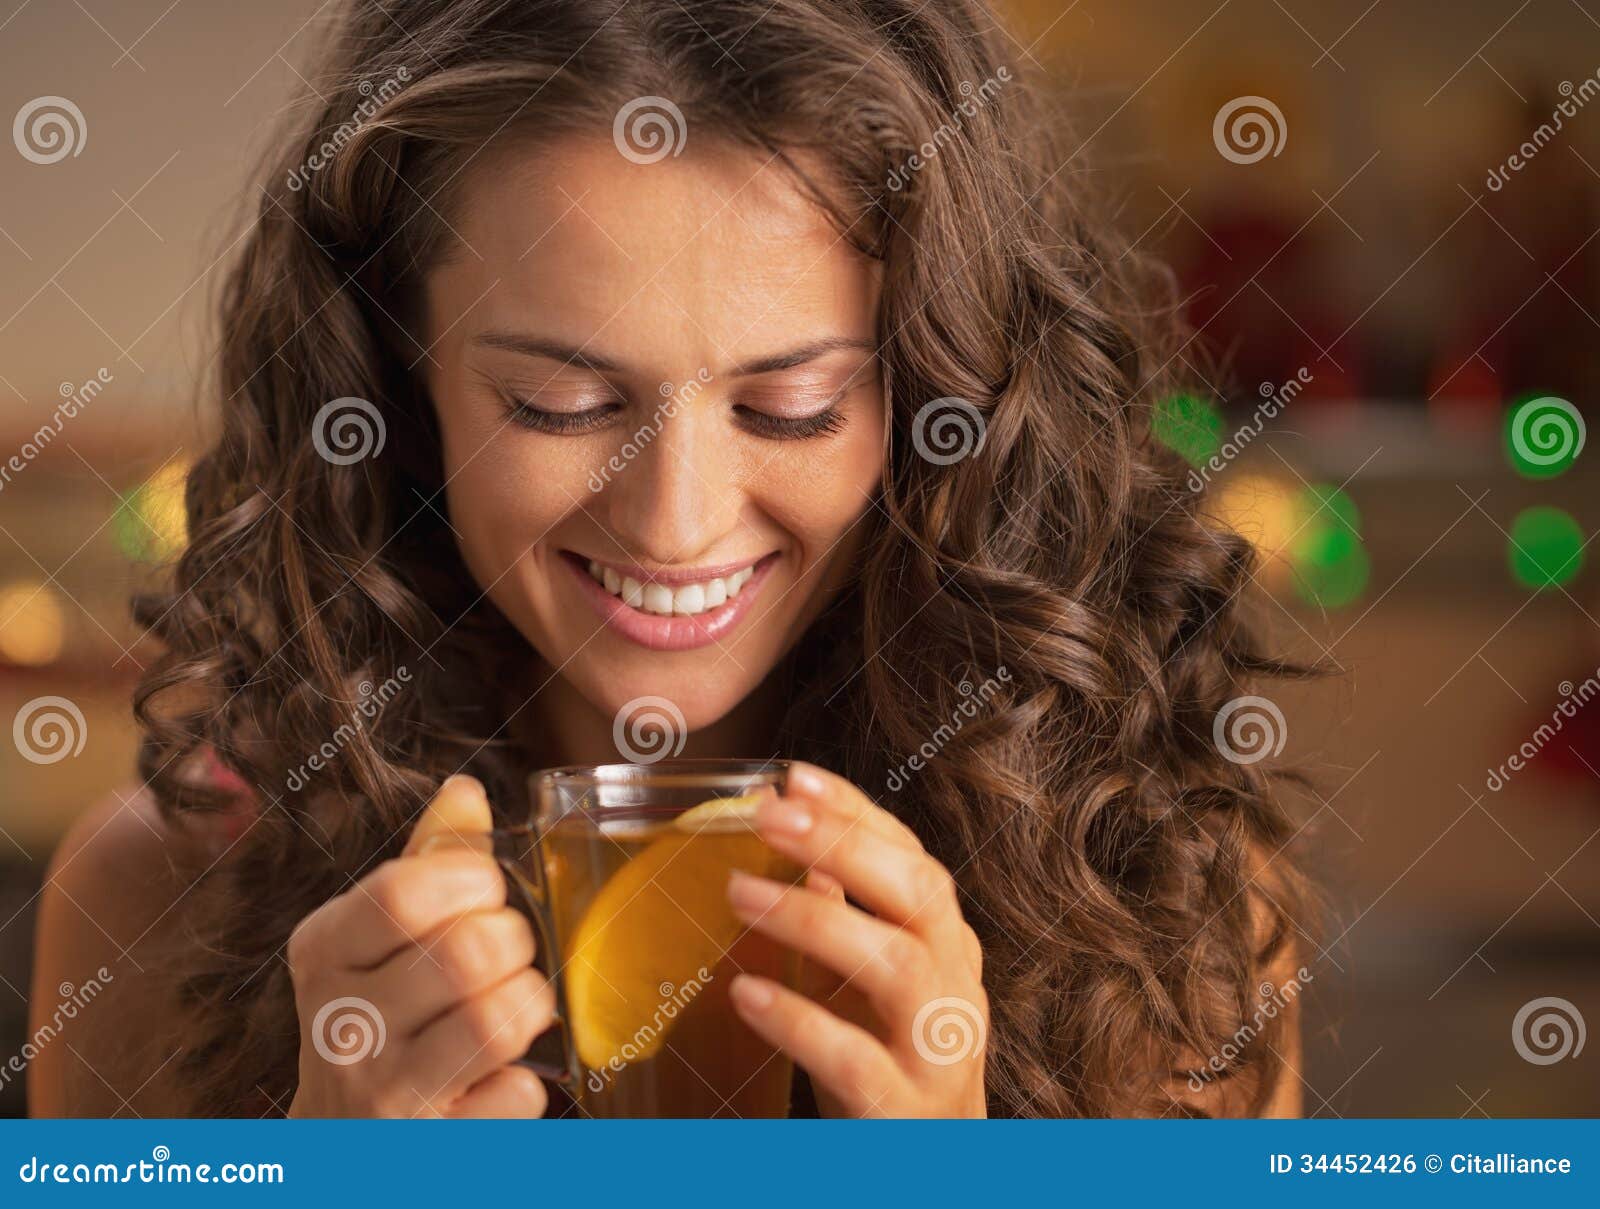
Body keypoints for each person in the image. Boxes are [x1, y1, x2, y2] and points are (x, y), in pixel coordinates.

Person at [31, 0, 1309, 1118]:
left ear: (938, 400)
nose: (674, 523)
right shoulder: (159, 900)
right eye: (559, 404)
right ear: (397, 378)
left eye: (794, 404)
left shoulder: (1157, 899)